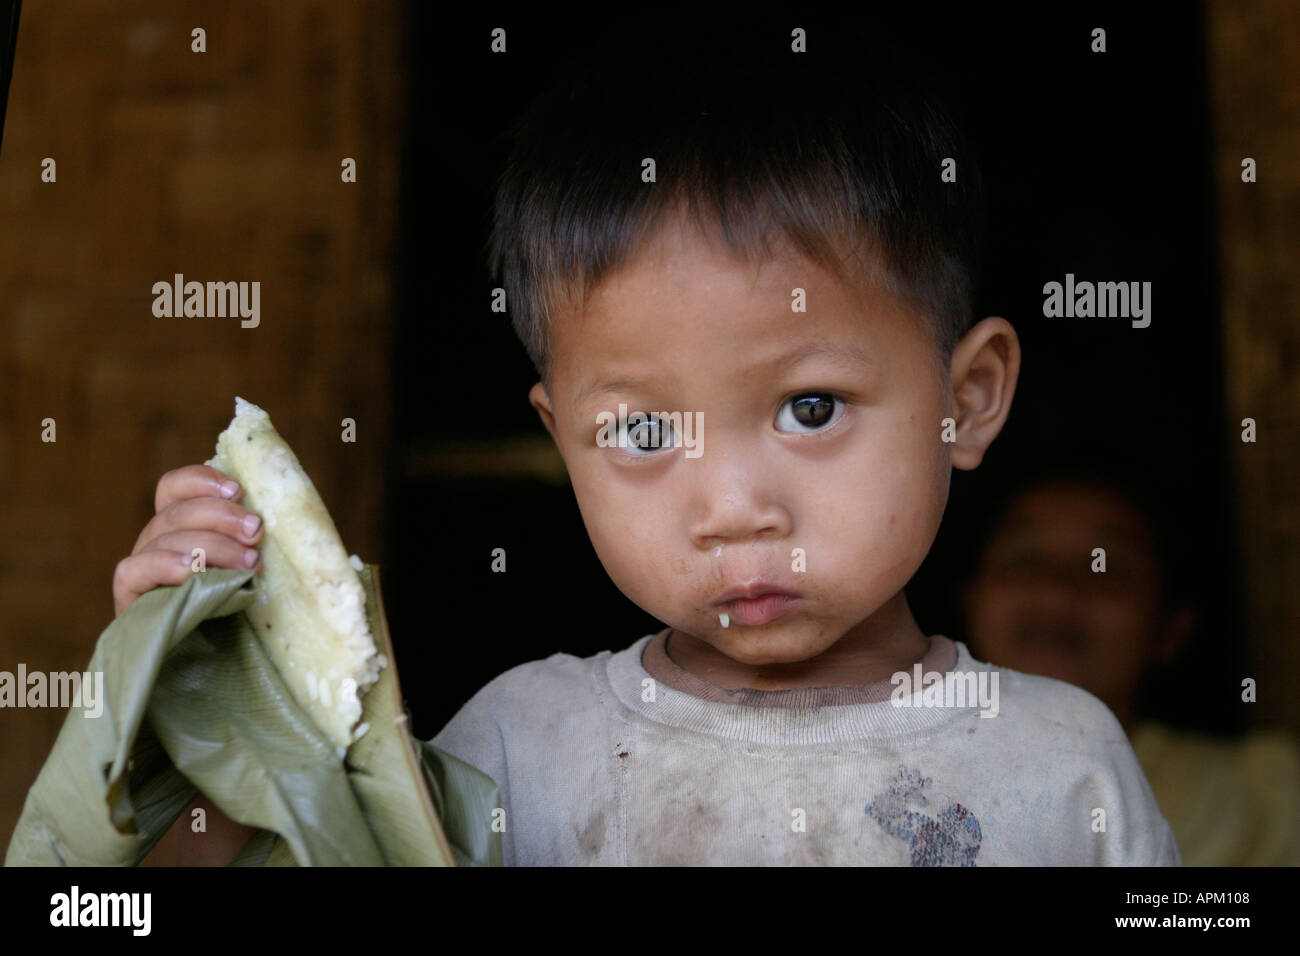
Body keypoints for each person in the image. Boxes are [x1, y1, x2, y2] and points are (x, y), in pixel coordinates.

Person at [117, 32, 1179, 865]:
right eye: (639, 430)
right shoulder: (518, 746)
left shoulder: (1061, 761)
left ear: (969, 398)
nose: (729, 507)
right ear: (559, 440)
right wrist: (214, 700)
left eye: (810, 408)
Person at [962, 469, 1300, 865]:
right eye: (1025, 559)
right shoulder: (891, 778)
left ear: (1169, 629)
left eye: (1107, 569)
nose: (1057, 591)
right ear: (969, 599)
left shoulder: (1262, 801)